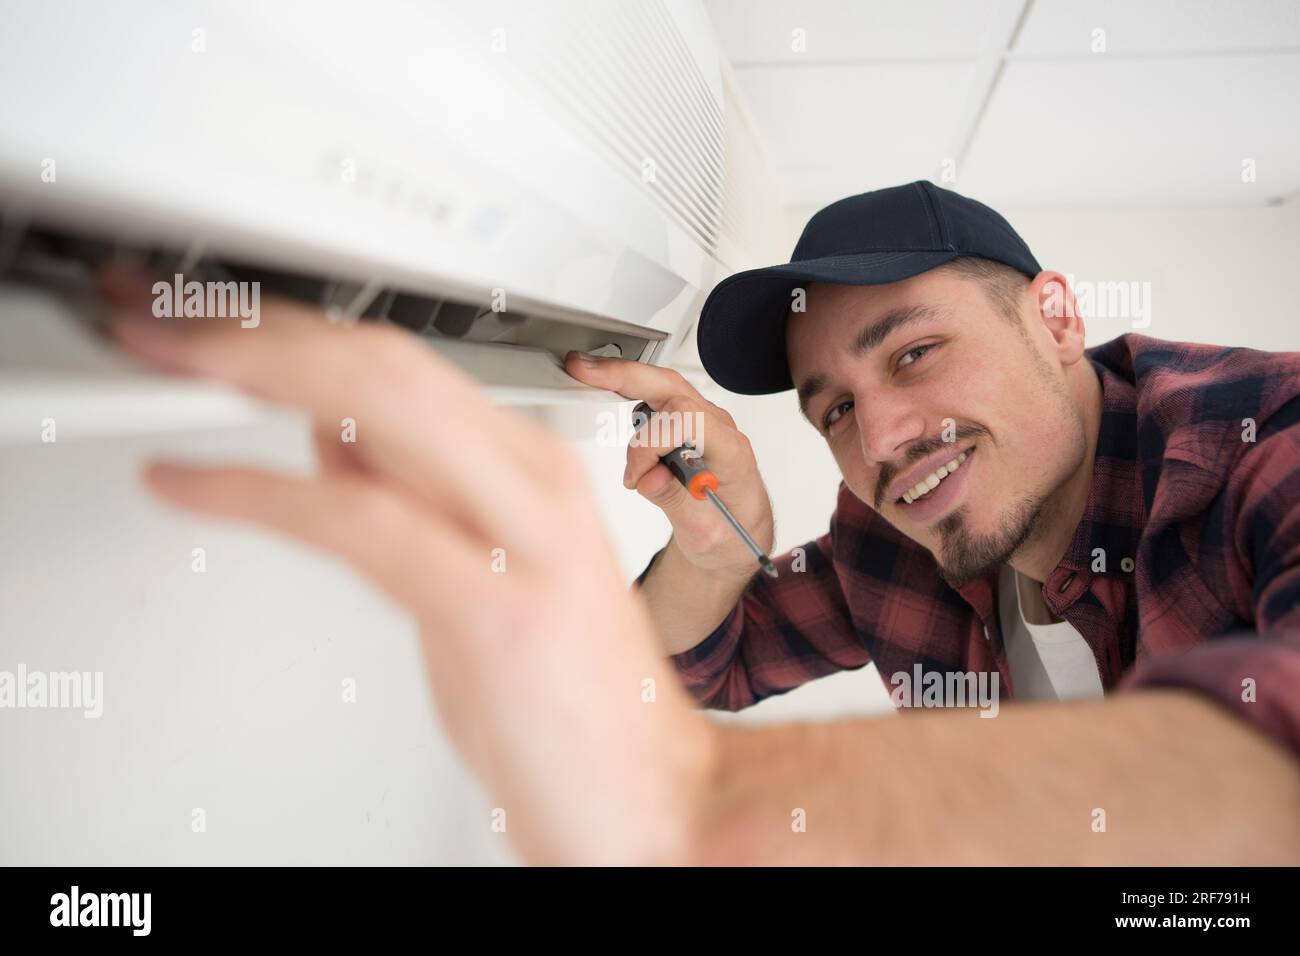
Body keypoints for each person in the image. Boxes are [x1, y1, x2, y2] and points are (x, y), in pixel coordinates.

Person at [99, 180, 1300, 865]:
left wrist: (703, 803)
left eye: (917, 352)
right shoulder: (897, 539)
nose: (880, 440)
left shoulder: (1265, 441)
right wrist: (713, 550)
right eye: (834, 406)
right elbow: (674, 682)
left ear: (1051, 312)